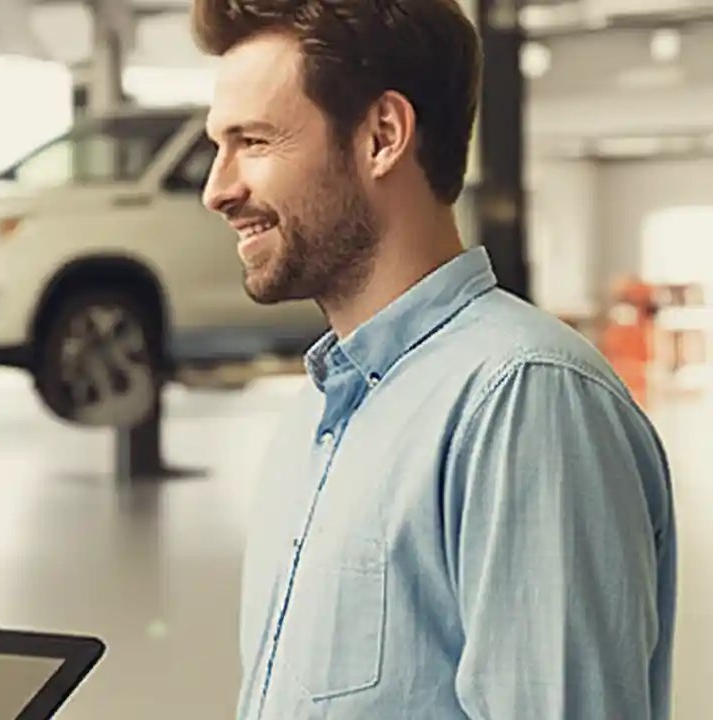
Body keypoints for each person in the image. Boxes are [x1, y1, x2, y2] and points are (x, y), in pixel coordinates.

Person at [192, 1, 676, 718]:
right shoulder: (321, 412)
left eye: (254, 141)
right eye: (217, 146)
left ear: (382, 136)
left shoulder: (521, 401)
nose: (217, 189)